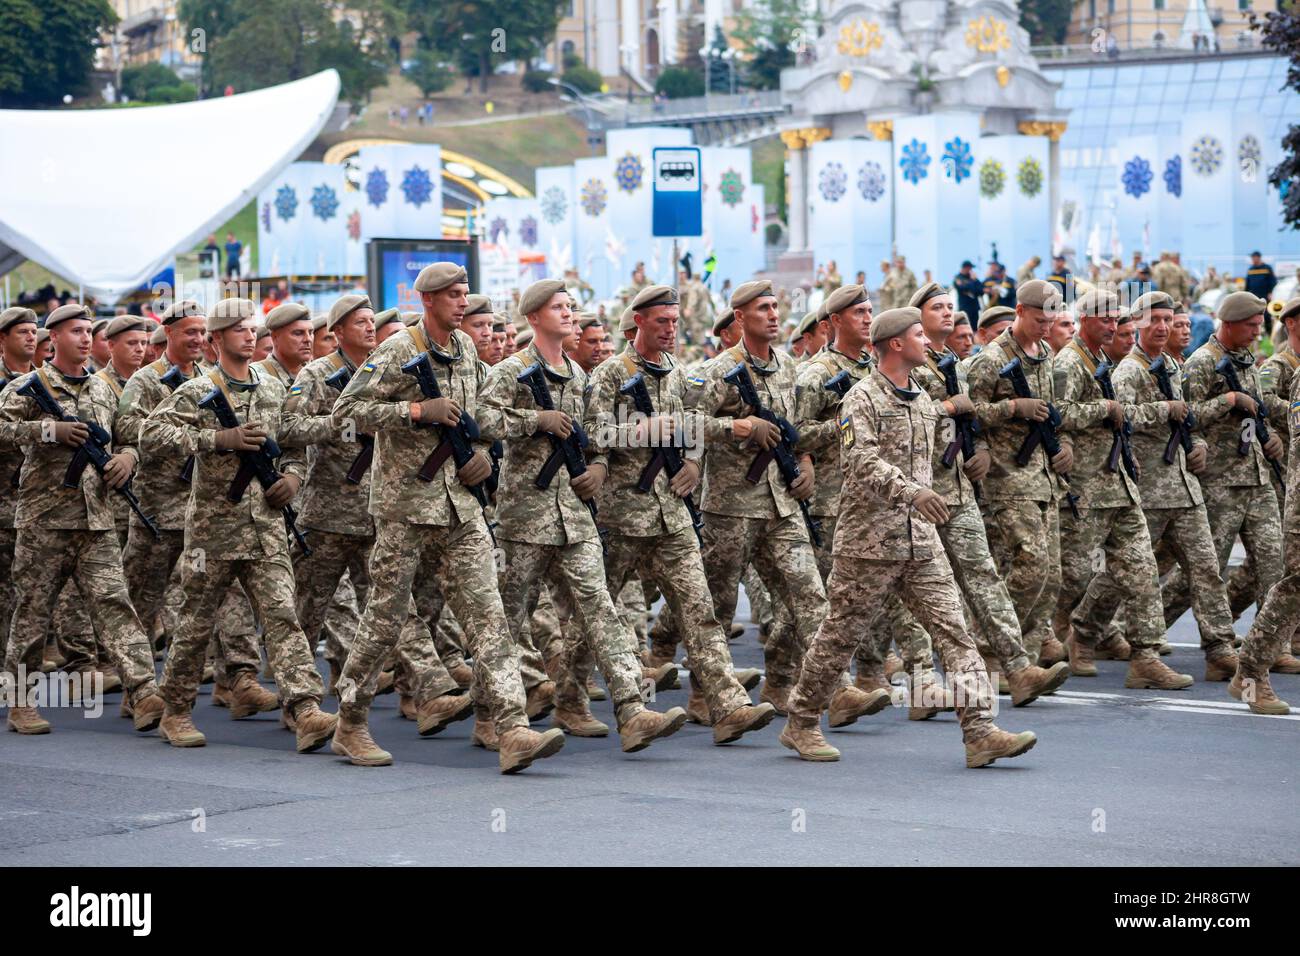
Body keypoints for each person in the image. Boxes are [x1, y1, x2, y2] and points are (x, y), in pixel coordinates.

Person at [779, 305, 1038, 767]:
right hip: (868, 543)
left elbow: (934, 462)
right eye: (919, 334)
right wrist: (911, 492)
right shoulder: (860, 399)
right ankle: (801, 722)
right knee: (839, 636)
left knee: (955, 633)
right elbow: (860, 462)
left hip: (921, 542)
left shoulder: (921, 399)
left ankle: (980, 730)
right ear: (896, 344)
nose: (927, 340)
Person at [331, 262, 565, 772]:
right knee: (384, 621)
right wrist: (412, 413)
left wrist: (484, 449)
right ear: (428, 301)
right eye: (454, 295)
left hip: (460, 508)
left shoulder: (464, 351)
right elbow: (346, 413)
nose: (464, 302)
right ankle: (349, 723)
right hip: (405, 510)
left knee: (488, 617)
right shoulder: (396, 351)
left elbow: (482, 413)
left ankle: (510, 728)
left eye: (465, 293)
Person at [479, 279, 688, 752]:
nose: (570, 313)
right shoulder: (512, 370)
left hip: (575, 515)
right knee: (510, 620)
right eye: (559, 307)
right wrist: (535, 421)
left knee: (601, 610)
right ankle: (489, 714)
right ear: (534, 318)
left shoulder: (578, 374)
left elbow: (596, 431)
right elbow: (484, 421)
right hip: (526, 517)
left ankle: (632, 710)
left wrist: (596, 465)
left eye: (571, 306)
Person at [143, 298, 337, 751]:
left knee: (283, 616)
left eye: (252, 328)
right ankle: (174, 710)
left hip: (266, 527)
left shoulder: (271, 390)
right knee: (194, 623)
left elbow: (292, 442)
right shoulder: (197, 390)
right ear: (215, 340)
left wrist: (292, 477)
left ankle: (305, 709)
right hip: (214, 530)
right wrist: (214, 439)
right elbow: (151, 434)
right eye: (237, 329)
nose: (249, 336)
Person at [0, 303, 166, 735]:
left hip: (97, 522)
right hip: (44, 523)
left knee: (116, 606)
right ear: (52, 338)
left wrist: (127, 459)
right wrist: (45, 432)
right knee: (33, 613)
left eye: (89, 331)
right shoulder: (27, 387)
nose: (85, 338)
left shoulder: (104, 390)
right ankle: (21, 703)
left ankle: (144, 692)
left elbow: (132, 434)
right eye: (76, 331)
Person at [1076, 292, 1241, 681]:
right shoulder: (1128, 371)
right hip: (1146, 490)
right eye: (1155, 320)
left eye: (1169, 320)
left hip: (1183, 489)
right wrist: (1163, 410)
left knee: (1206, 568)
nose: (1164, 327)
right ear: (1136, 325)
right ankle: (1084, 634)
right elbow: (1120, 421)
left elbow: (1188, 424)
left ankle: (1219, 648)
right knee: (1125, 573)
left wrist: (1197, 446)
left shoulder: (1169, 365)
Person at [686, 279, 828, 714]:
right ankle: (703, 694)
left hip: (782, 505)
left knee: (809, 596)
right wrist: (737, 427)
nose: (772, 314)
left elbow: (796, 428)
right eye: (763, 308)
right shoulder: (716, 370)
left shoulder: (787, 367)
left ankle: (793, 685)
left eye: (775, 306)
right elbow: (686, 424)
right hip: (731, 506)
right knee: (719, 606)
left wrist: (805, 463)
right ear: (740, 318)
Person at [1050, 288, 1195, 688]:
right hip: (1086, 489)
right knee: (1069, 575)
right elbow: (1056, 414)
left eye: (1116, 318)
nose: (1113, 325)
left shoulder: (1100, 361)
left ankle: (1146, 658)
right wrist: (1104, 409)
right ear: (1085, 320)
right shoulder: (1068, 362)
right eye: (1105, 318)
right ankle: (1037, 644)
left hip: (1120, 485)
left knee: (1141, 570)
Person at [1163, 291, 1300, 674]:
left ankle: (1274, 646)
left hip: (1255, 478)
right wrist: (1229, 401)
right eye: (1252, 326)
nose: (1259, 332)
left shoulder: (1244, 361)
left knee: (1275, 563)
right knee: (1207, 569)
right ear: (1229, 324)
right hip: (1219, 482)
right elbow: (1186, 418)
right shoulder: (1202, 363)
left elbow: (1258, 406)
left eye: (1260, 325)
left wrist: (1269, 432)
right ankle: (1142, 627)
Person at [965, 282, 1073, 663]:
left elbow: (1056, 410)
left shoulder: (1044, 353)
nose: (1046, 329)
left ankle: (1021, 658)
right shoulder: (991, 359)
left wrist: (1065, 445)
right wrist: (1012, 408)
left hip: (1045, 478)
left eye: (1051, 322)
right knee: (1030, 565)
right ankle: (987, 645)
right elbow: (969, 413)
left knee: (1051, 577)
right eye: (1040, 321)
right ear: (1020, 311)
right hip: (1007, 478)